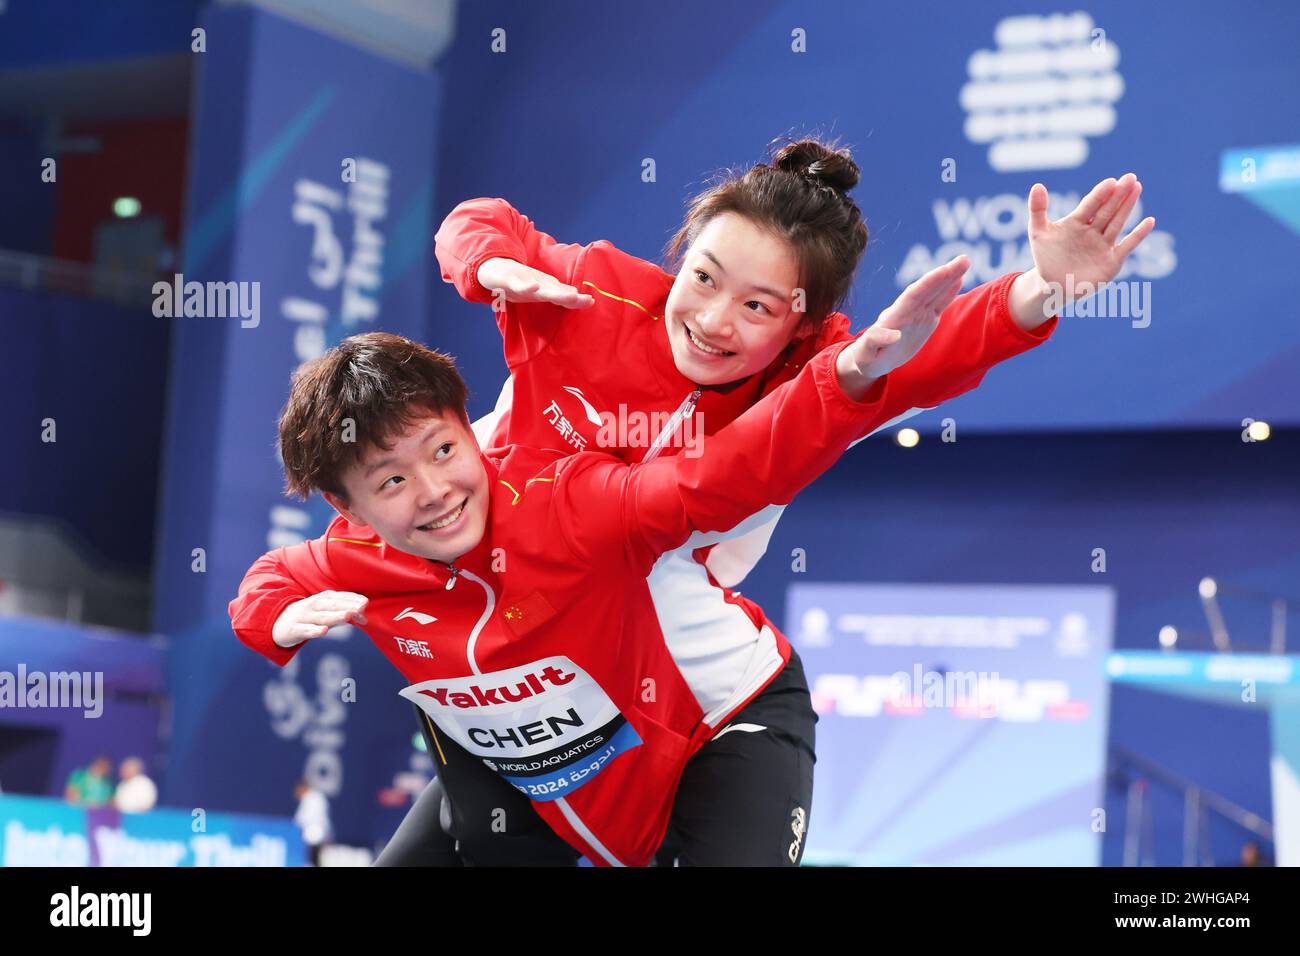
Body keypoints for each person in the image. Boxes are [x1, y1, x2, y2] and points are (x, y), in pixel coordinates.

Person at [416, 138, 1150, 864]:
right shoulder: (590, 293)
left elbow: (930, 349)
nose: (712, 320)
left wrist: (1040, 287)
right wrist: (490, 266)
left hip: (712, 699)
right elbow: (481, 218)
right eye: (702, 278)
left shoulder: (817, 383)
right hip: (545, 682)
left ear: (801, 328)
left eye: (757, 306)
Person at [229, 296, 1024, 866]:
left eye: (443, 451)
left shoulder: (569, 502)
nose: (435, 492)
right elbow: (268, 579)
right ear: (348, 506)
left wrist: (1018, 306)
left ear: (467, 426)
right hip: (533, 776)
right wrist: (273, 620)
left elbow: (749, 461)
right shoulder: (352, 560)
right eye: (391, 481)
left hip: (717, 729)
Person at [293, 779, 332, 866]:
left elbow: (305, 820)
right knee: (312, 859)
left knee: (313, 858)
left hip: (314, 834)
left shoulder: (314, 798)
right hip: (314, 835)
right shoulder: (311, 798)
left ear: (303, 787)